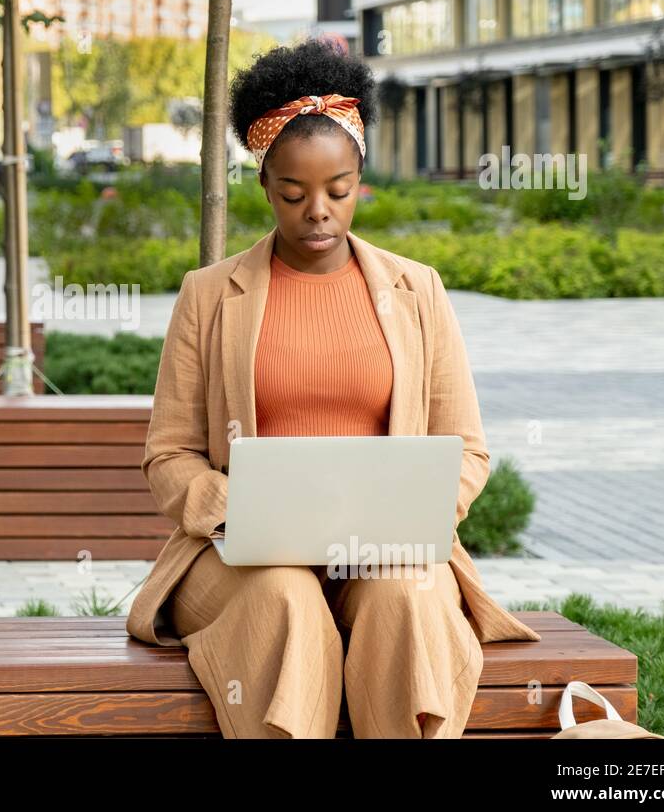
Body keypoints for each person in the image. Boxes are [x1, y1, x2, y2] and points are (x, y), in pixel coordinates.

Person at [124, 39, 542, 739]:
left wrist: (414, 514)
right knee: (286, 602)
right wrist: (242, 512)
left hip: (383, 552)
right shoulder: (209, 295)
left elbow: (467, 449)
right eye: (294, 193)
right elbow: (167, 456)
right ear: (265, 187)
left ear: (359, 182)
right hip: (242, 560)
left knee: (407, 599)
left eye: (338, 190)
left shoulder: (418, 291)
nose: (318, 210)